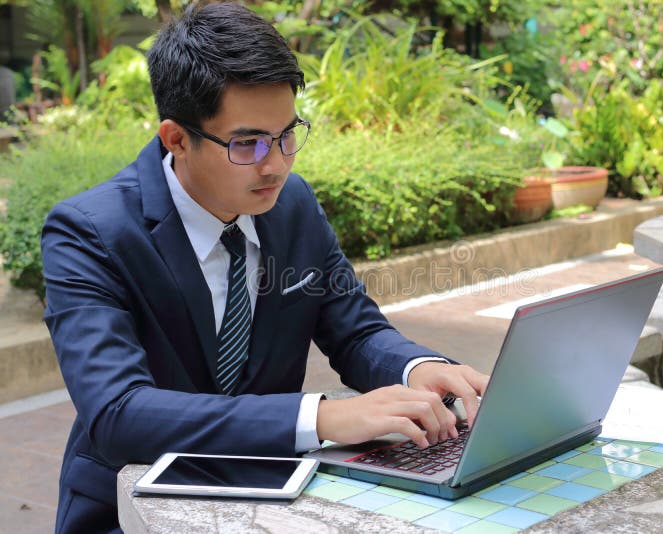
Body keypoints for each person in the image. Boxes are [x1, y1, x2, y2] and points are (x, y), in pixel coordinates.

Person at [41, 2, 488, 532]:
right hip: (132, 507)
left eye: (287, 135)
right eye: (247, 143)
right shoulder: (90, 232)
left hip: (276, 497)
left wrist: (418, 369)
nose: (274, 164)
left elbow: (356, 332)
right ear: (176, 138)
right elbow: (118, 412)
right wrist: (322, 417)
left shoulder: (291, 204)